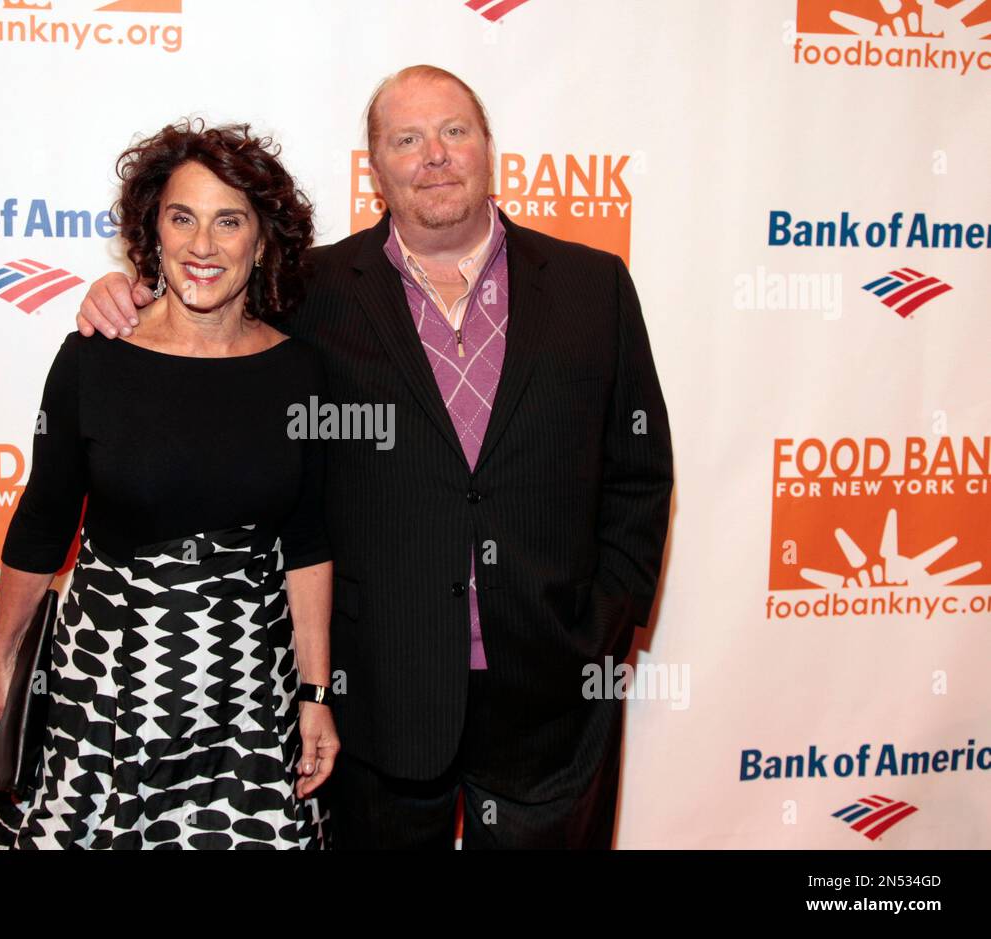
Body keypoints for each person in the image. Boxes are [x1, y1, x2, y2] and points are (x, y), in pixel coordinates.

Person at [75, 65, 674, 849]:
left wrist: (602, 623)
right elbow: (203, 315)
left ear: (489, 148)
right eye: (407, 139)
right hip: (381, 697)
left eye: (454, 132)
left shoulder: (594, 287)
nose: (435, 155)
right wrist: (120, 295)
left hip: (554, 695)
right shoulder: (312, 289)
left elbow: (640, 471)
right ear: (375, 166)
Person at [0, 120, 338, 850]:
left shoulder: (302, 373)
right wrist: (5, 660)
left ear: (261, 240)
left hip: (248, 699)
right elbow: (43, 522)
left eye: (228, 220)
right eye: (182, 217)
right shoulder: (93, 359)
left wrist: (314, 695)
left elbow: (307, 542)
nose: (203, 245)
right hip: (103, 688)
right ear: (155, 231)